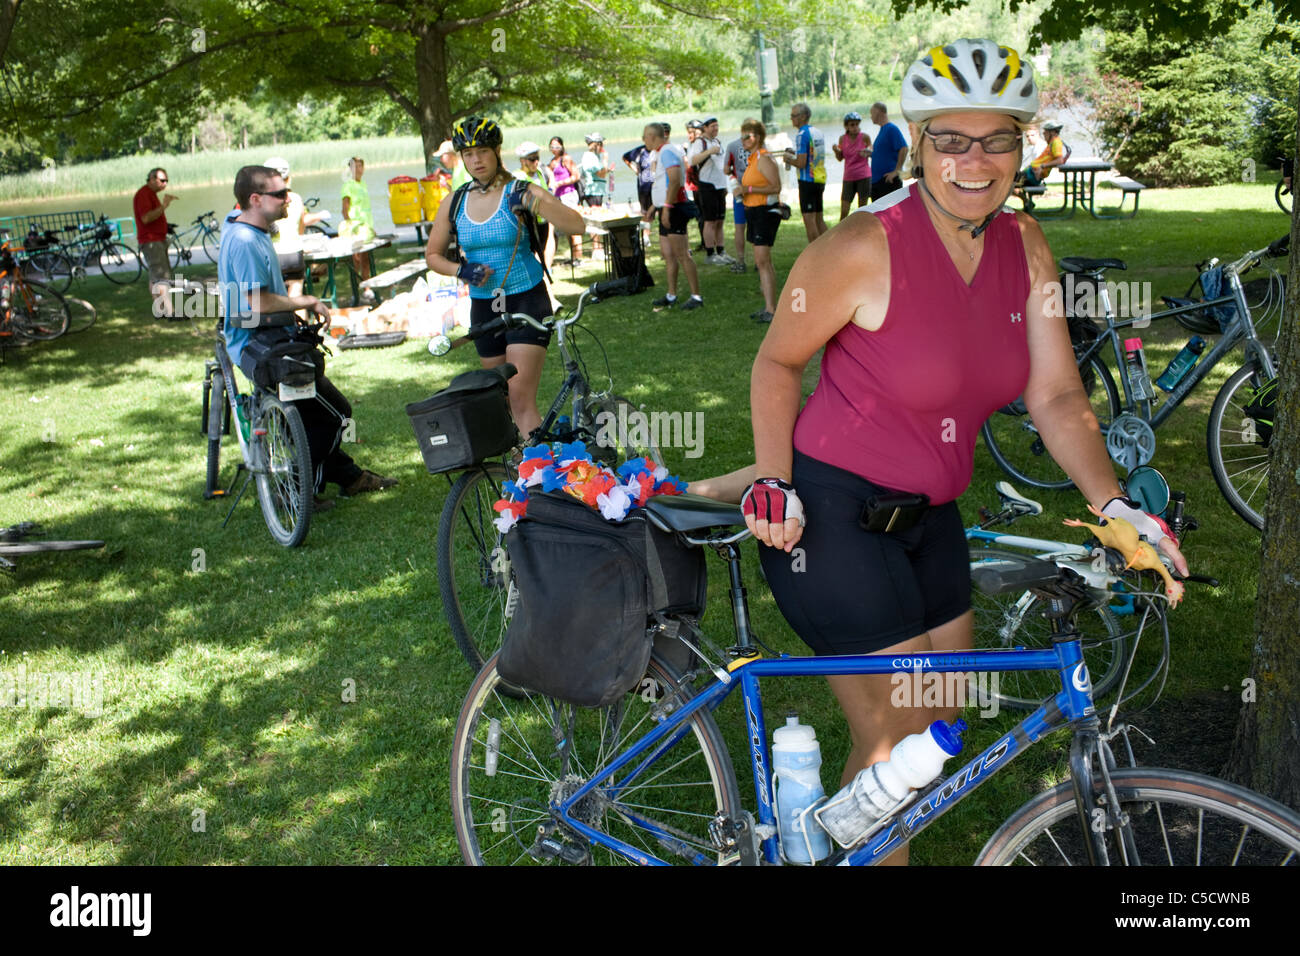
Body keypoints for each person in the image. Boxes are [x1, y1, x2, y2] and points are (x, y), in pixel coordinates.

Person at [741, 39, 1188, 865]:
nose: (974, 161)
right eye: (951, 139)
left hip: (932, 515)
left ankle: (820, 844)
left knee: (936, 733)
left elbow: (1055, 395)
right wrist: (773, 479)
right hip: (833, 514)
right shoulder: (862, 246)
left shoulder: (1027, 244)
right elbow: (777, 360)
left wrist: (1114, 505)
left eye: (998, 139)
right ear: (918, 144)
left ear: (1025, 145)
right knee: (898, 738)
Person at [219, 165, 397, 510]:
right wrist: (306, 300)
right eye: (280, 195)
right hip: (260, 346)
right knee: (337, 414)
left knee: (312, 417)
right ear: (255, 199)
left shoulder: (243, 224)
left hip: (269, 337)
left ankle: (349, 477)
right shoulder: (244, 240)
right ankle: (299, 491)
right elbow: (253, 301)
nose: (288, 200)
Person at [424, 117, 585, 437]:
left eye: (482, 151)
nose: (476, 160)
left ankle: (538, 479)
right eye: (468, 154)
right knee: (503, 400)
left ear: (497, 151)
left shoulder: (521, 190)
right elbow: (433, 256)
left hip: (526, 298)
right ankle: (523, 471)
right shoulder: (454, 202)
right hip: (485, 307)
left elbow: (576, 225)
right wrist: (462, 270)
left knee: (520, 397)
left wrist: (535, 201)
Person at [644, 121, 703, 312]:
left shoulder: (668, 152)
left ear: (653, 136)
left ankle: (696, 295)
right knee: (668, 255)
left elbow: (675, 180)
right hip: (665, 207)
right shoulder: (661, 152)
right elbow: (663, 184)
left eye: (645, 136)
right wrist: (655, 207)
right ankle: (671, 294)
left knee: (682, 254)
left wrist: (667, 208)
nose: (643, 140)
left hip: (675, 208)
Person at [738, 119, 782, 324]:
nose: (744, 139)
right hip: (753, 211)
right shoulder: (753, 160)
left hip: (765, 213)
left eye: (748, 136)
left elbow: (776, 187)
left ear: (759, 137)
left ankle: (771, 309)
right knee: (761, 261)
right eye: (742, 136)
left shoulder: (764, 158)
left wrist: (748, 190)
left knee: (763, 261)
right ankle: (769, 306)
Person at [264, 157, 326, 299]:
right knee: (297, 300)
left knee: (276, 300)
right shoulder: (296, 198)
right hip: (295, 254)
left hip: (274, 255)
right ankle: (301, 321)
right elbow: (300, 229)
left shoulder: (265, 200)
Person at [688, 117, 735, 265]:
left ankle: (721, 251)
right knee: (710, 221)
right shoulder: (699, 143)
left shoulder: (717, 142)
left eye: (717, 126)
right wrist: (708, 152)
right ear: (706, 128)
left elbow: (721, 164)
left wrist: (726, 185)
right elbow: (692, 161)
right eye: (713, 126)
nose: (716, 129)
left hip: (720, 185)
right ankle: (710, 253)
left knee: (720, 221)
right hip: (707, 185)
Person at [134, 168, 177, 315]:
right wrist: (164, 205)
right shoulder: (143, 195)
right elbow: (146, 218)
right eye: (162, 180)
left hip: (157, 239)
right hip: (151, 241)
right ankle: (171, 312)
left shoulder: (150, 194)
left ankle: (159, 309)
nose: (165, 184)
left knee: (154, 276)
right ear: (152, 179)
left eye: (167, 181)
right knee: (161, 275)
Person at [781, 103, 828, 241]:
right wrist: (795, 154)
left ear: (803, 117)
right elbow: (811, 155)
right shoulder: (817, 132)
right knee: (819, 218)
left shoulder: (801, 134)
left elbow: (801, 164)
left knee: (809, 220)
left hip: (807, 181)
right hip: (819, 179)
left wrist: (788, 159)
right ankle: (830, 250)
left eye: (793, 116)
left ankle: (815, 256)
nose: (791, 119)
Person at [514, 141, 556, 273]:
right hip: (528, 223)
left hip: (543, 220)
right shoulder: (517, 177)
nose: (536, 162)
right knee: (530, 253)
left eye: (537, 158)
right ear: (523, 160)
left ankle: (544, 272)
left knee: (543, 249)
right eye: (532, 159)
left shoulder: (540, 173)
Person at [1015, 120, 1066, 211]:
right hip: (1030, 172)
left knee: (1009, 184)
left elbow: (1060, 160)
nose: (1044, 134)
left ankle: (1027, 203)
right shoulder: (1052, 143)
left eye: (1045, 132)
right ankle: (1027, 203)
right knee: (1009, 183)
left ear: (1052, 132)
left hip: (1032, 175)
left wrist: (1042, 166)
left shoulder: (1056, 143)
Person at [547, 137, 584, 265]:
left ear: (562, 147)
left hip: (569, 195)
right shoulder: (552, 162)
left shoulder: (566, 159)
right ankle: (573, 257)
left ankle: (578, 258)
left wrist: (560, 183)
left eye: (557, 147)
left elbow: (576, 176)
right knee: (567, 228)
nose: (554, 149)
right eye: (552, 147)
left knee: (573, 226)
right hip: (558, 197)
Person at [340, 157, 375, 281]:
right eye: (355, 167)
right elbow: (345, 210)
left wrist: (371, 228)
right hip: (355, 229)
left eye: (360, 166)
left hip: (366, 227)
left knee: (366, 259)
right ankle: (356, 288)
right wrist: (350, 228)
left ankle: (367, 286)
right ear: (351, 169)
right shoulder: (348, 185)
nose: (358, 169)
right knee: (356, 260)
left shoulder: (363, 184)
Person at [833, 111, 873, 220]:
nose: (855, 127)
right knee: (844, 210)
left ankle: (861, 232)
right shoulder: (842, 139)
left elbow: (871, 151)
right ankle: (842, 233)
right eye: (852, 125)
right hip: (849, 177)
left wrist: (868, 151)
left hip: (863, 176)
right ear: (846, 126)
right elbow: (840, 158)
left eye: (857, 124)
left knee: (862, 209)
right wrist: (836, 151)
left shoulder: (865, 137)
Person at [579, 133, 610, 260]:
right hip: (594, 190)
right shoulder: (590, 156)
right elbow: (601, 173)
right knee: (596, 217)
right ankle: (597, 249)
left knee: (597, 216)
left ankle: (598, 248)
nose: (602, 146)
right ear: (596, 144)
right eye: (600, 144)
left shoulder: (593, 156)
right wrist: (606, 161)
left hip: (597, 189)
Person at [868, 102, 908, 201]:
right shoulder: (882, 130)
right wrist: (870, 154)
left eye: (872, 113)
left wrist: (896, 171)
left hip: (888, 181)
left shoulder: (891, 129)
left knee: (891, 214)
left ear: (878, 112)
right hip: (877, 182)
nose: (870, 116)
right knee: (878, 215)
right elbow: (884, 154)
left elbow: (904, 148)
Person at [723, 131, 750, 273]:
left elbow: (726, 169)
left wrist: (734, 170)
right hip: (756, 190)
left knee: (740, 227)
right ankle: (760, 261)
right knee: (756, 225)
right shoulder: (759, 144)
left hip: (739, 190)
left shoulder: (732, 146)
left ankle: (741, 261)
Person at [623, 140, 657, 222]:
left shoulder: (658, 150)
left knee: (656, 211)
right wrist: (634, 169)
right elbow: (625, 157)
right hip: (644, 186)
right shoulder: (640, 151)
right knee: (645, 212)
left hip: (657, 186)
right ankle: (645, 233)